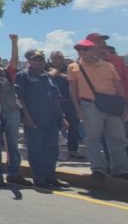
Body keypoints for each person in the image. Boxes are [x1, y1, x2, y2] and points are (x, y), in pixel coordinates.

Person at [68, 39, 128, 181]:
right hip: (90, 104)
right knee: (92, 138)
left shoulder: (108, 66)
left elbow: (118, 86)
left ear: (94, 50)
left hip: (112, 104)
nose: (82, 52)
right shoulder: (74, 67)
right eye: (79, 50)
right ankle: (98, 169)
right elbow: (72, 89)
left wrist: (124, 106)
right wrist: (77, 108)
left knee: (117, 138)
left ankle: (120, 169)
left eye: (85, 49)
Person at [0, 35, 31, 186]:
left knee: (12, 144)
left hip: (11, 110)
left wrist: (14, 42)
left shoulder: (8, 72)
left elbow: (15, 59)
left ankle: (14, 173)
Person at [15, 50, 67, 188]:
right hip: (34, 119)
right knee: (35, 149)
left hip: (51, 119)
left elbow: (55, 98)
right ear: (29, 61)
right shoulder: (23, 75)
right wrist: (26, 117)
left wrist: (62, 117)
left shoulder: (47, 76)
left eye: (41, 59)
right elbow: (19, 98)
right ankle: (39, 178)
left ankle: (51, 176)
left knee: (52, 149)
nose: (38, 62)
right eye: (35, 59)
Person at [48, 51, 84, 159]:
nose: (56, 60)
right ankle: (54, 150)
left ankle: (73, 150)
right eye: (54, 58)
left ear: (63, 58)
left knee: (74, 126)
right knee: (54, 127)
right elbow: (50, 74)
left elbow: (74, 79)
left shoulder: (69, 68)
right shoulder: (46, 67)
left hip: (69, 101)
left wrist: (60, 74)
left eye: (59, 57)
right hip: (53, 102)